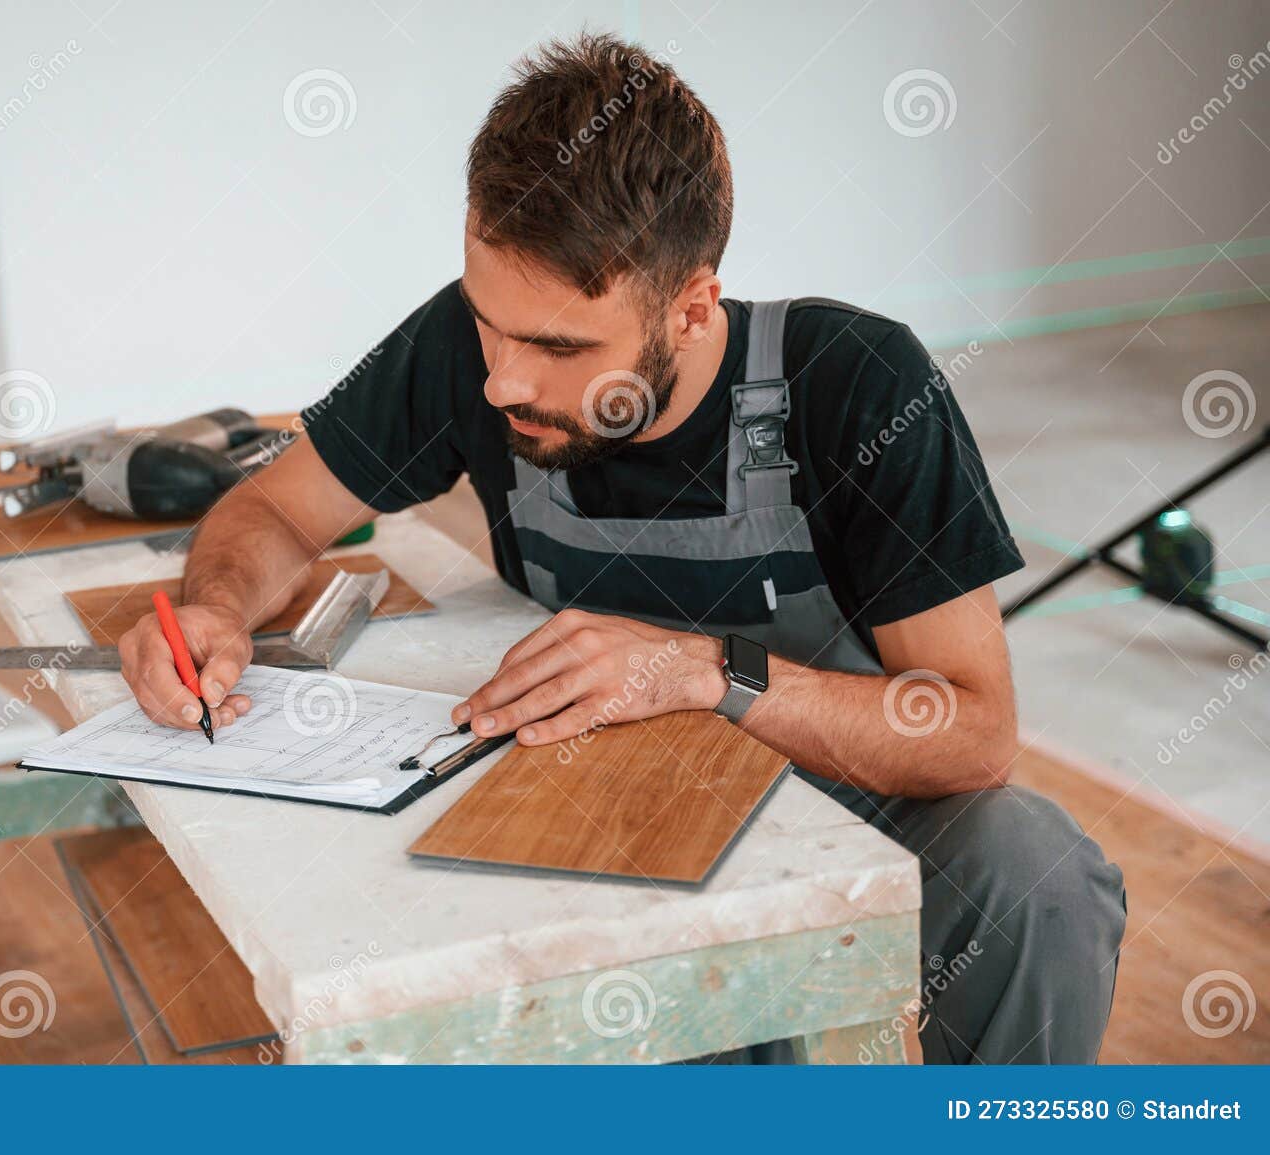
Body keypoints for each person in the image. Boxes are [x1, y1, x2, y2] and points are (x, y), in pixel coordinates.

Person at [117, 32, 1125, 1063]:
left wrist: (703, 672)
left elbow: (972, 731)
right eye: (489, 323)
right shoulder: (462, 350)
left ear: (691, 309)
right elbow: (272, 512)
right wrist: (216, 607)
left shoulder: (854, 382)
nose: (504, 380)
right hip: (589, 815)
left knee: (1033, 875)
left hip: (835, 786)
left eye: (558, 348)